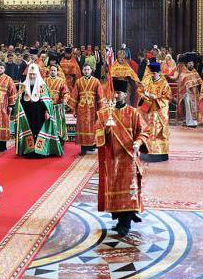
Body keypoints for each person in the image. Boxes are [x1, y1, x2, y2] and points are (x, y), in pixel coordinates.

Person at [94, 78, 148, 237]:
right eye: (115, 92)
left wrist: (138, 143)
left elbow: (143, 132)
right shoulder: (104, 113)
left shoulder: (133, 112)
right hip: (111, 158)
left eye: (120, 93)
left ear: (125, 94)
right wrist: (105, 130)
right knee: (114, 188)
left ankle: (126, 222)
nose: (116, 95)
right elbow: (97, 131)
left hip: (128, 158)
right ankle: (120, 220)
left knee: (127, 190)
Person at [10, 63, 63, 157]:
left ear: (37, 74)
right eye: (30, 74)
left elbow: (47, 101)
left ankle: (40, 152)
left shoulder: (42, 85)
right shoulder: (23, 86)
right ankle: (29, 151)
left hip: (40, 114)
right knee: (29, 130)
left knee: (38, 130)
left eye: (34, 74)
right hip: (27, 114)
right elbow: (19, 101)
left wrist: (47, 111)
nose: (32, 76)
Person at [138, 61, 172, 162]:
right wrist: (145, 96)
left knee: (156, 128)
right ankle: (147, 151)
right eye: (151, 73)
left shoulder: (164, 83)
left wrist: (155, 97)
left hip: (159, 111)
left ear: (159, 72)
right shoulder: (147, 80)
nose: (152, 75)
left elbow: (167, 98)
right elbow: (140, 90)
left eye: (154, 73)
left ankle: (159, 153)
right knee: (145, 127)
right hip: (147, 109)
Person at [69, 63, 103, 155]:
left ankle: (92, 145)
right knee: (82, 127)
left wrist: (101, 109)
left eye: (88, 69)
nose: (86, 71)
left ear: (91, 71)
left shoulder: (96, 81)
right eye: (85, 70)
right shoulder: (78, 81)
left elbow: (100, 96)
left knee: (92, 127)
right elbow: (75, 96)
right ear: (82, 71)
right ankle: (83, 148)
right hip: (81, 108)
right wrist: (74, 110)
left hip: (93, 108)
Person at [45, 63, 69, 144]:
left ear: (57, 72)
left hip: (57, 107)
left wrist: (64, 100)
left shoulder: (61, 81)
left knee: (58, 125)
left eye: (54, 70)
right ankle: (48, 142)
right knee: (47, 125)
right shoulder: (44, 81)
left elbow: (66, 93)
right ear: (49, 71)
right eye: (51, 70)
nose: (53, 72)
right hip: (47, 107)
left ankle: (59, 141)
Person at [176, 56, 202, 127]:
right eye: (190, 63)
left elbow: (199, 82)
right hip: (187, 93)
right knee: (188, 107)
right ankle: (189, 122)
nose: (191, 65)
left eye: (192, 63)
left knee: (195, 107)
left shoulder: (195, 72)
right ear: (186, 64)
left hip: (195, 93)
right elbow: (181, 85)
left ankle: (195, 122)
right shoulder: (183, 74)